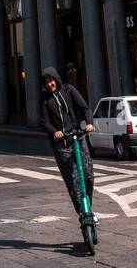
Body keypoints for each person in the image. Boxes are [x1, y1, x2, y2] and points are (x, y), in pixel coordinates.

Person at [40, 66, 95, 218]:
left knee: (88, 174)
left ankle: (87, 206)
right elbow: (44, 121)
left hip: (77, 138)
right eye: (46, 83)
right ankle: (82, 212)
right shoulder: (45, 100)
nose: (50, 84)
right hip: (61, 145)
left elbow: (85, 109)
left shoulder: (69, 90)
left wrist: (89, 123)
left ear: (56, 79)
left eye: (51, 81)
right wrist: (54, 132)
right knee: (72, 180)